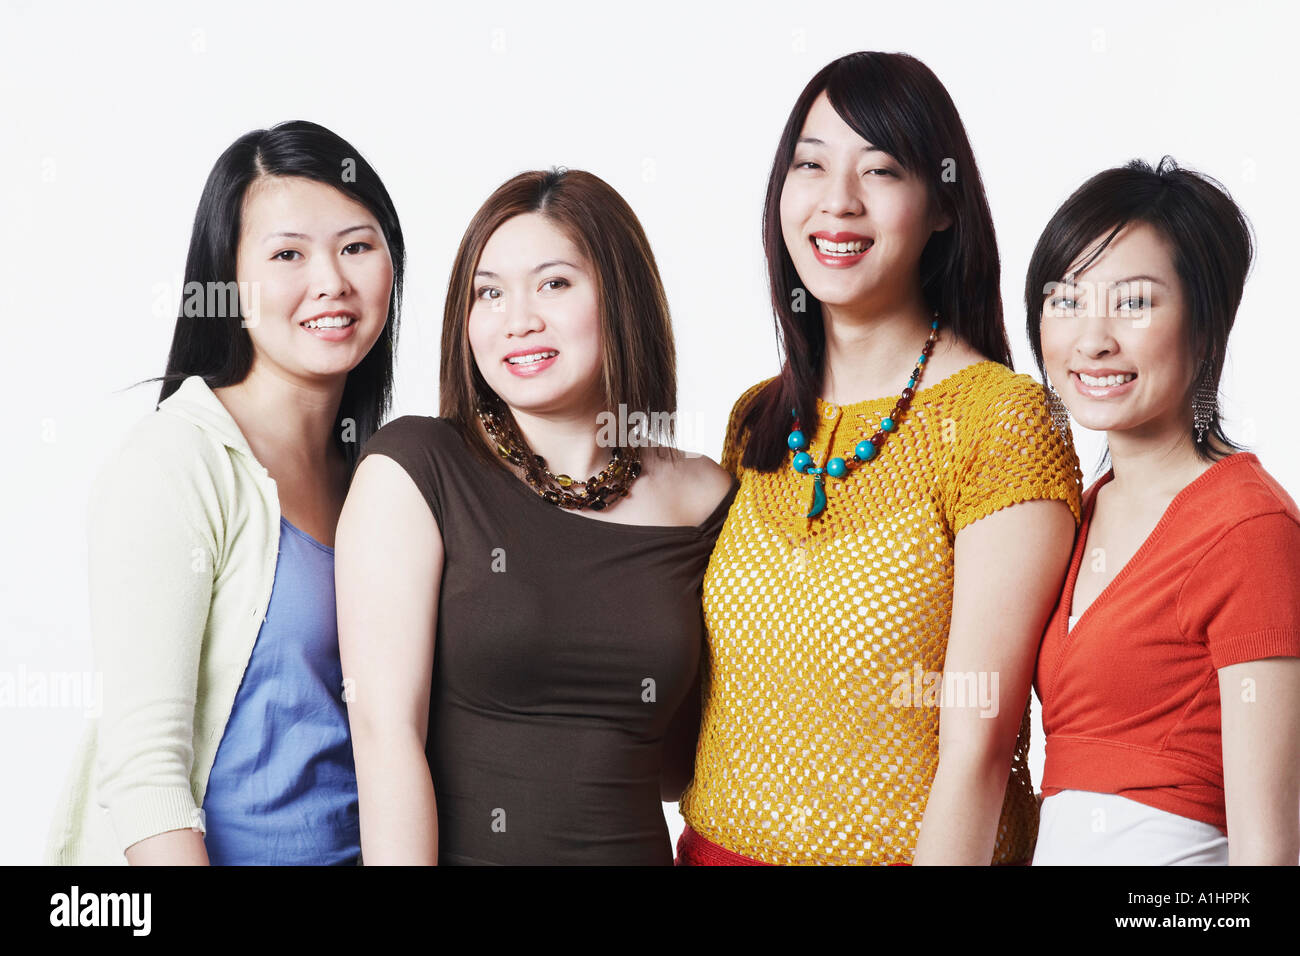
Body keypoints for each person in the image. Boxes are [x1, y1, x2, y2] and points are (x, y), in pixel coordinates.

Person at [676, 51, 1083, 865]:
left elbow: (979, 749)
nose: (839, 202)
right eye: (811, 164)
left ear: (941, 206)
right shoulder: (757, 419)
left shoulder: (1000, 420)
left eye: (882, 170)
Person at [336, 168, 737, 865]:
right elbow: (383, 732)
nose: (517, 319)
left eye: (553, 283)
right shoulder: (416, 466)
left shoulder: (705, 497)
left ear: (621, 296)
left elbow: (682, 767)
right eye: (488, 293)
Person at [44, 120, 404, 865]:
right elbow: (145, 776)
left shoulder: (377, 476)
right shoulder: (175, 463)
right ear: (227, 283)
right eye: (287, 254)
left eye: (357, 246)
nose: (331, 280)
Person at [1027, 157, 1300, 865]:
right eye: (1067, 300)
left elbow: (1268, 849)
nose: (1092, 339)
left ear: (1206, 324)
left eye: (1134, 303)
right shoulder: (1077, 513)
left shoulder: (1249, 530)